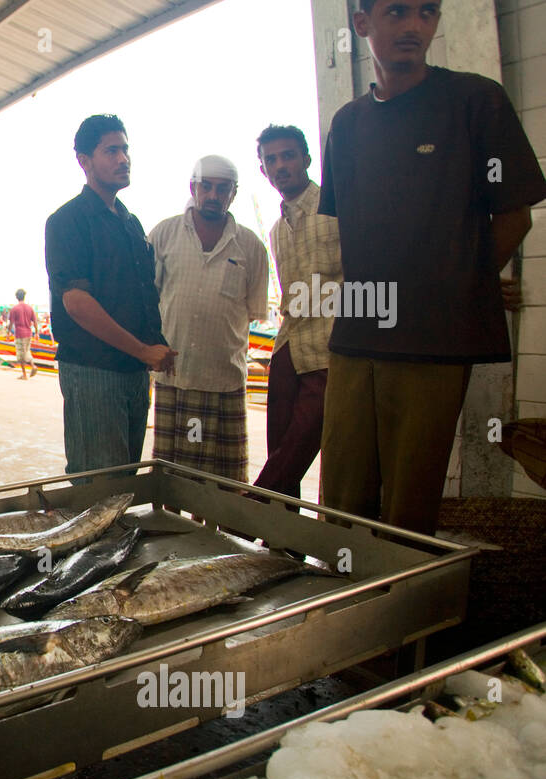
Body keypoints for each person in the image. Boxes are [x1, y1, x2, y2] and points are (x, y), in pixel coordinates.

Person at [318, 0, 545, 534]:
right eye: (397, 12)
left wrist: (463, 284)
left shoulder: (473, 101)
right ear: (362, 24)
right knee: (342, 500)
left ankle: (398, 609)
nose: (414, 26)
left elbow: (515, 215)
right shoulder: (347, 124)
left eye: (426, 12)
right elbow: (352, 228)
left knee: (407, 509)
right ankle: (340, 604)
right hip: (359, 330)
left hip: (434, 339)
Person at [44, 114, 175, 476]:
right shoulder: (67, 221)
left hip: (132, 373)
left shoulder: (130, 223)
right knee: (98, 487)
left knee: (123, 483)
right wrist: (144, 350)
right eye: (111, 151)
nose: (123, 159)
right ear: (84, 161)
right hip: (93, 371)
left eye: (125, 149)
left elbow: (140, 297)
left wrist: (154, 348)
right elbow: (77, 304)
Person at [148, 155, 269, 483]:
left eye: (223, 188)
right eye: (207, 187)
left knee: (223, 485)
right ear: (193, 187)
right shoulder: (163, 235)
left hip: (224, 380)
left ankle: (219, 535)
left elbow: (255, 311)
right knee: (170, 481)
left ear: (234, 193)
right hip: (176, 378)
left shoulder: (252, 247)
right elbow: (146, 299)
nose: (214, 195)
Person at [251, 125, 338, 500]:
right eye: (271, 159)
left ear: (306, 159)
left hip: (330, 346)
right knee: (279, 445)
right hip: (288, 344)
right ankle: (282, 543)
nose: (281, 165)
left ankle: (248, 510)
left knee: (300, 444)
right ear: (263, 169)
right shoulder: (276, 230)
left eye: (288, 155)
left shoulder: (338, 208)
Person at [8, 288, 39, 379]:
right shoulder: (30, 308)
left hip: (20, 333)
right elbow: (35, 322)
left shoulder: (14, 309)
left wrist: (8, 332)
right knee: (27, 351)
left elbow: (11, 323)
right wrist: (36, 333)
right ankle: (33, 366)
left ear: (17, 297)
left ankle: (25, 374)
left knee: (21, 354)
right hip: (28, 333)